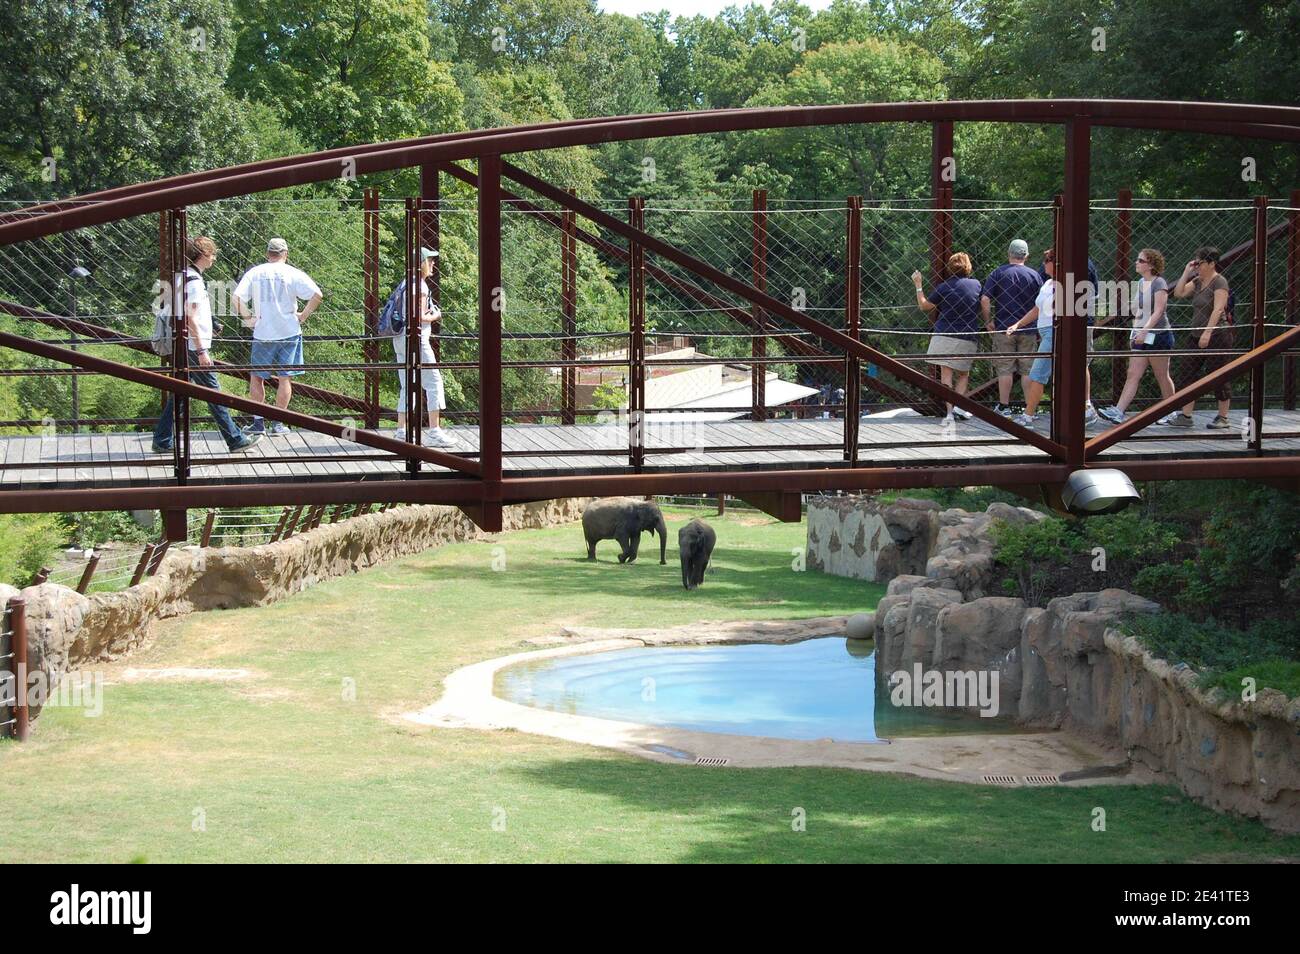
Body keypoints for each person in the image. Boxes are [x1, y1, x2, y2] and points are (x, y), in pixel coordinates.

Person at [151, 237, 262, 454]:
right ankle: (235, 439)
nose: (214, 258)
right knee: (213, 393)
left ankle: (162, 439)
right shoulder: (193, 281)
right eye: (212, 254)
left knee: (180, 393)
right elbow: (190, 317)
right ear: (202, 255)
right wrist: (202, 350)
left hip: (185, 343)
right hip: (193, 347)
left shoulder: (184, 276)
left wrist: (209, 324)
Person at [232, 237, 323, 435]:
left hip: (263, 332)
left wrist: (248, 318)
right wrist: (303, 316)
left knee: (257, 377)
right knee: (285, 379)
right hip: (289, 331)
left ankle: (258, 423)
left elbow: (236, 298)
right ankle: (279, 423)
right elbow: (317, 295)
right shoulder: (292, 273)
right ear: (285, 254)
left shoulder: (256, 272)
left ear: (268, 254)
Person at [1097, 248, 1175, 424]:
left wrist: (1145, 330)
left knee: (1162, 375)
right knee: (1133, 373)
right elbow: (1135, 307)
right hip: (1140, 335)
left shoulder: (1159, 283)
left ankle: (1171, 410)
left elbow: (1159, 310)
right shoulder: (1141, 282)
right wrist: (1109, 316)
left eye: (1140, 260)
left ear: (1151, 265)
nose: (1136, 263)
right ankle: (1119, 411)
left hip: (1158, 335)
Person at [390, 247, 456, 447]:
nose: (433, 264)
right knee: (434, 381)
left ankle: (402, 430)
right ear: (421, 264)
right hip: (417, 340)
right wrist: (436, 315)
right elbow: (418, 317)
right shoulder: (420, 286)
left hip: (400, 338)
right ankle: (434, 431)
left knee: (407, 383)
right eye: (429, 261)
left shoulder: (405, 283)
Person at [1165, 245, 1233, 429]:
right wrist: (1187, 271)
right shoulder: (1197, 281)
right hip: (1195, 335)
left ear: (1211, 263)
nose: (1198, 266)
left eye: (1200, 263)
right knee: (1187, 371)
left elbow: (1219, 309)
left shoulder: (1220, 282)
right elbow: (1178, 293)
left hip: (1217, 334)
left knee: (1218, 374)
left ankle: (1223, 417)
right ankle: (1186, 416)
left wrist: (1208, 332)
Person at [912, 252, 982, 423]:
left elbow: (924, 306)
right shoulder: (976, 285)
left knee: (946, 375)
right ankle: (959, 406)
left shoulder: (944, 287)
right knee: (964, 374)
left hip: (944, 334)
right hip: (967, 334)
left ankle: (949, 412)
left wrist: (918, 284)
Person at [981, 239, 1041, 415]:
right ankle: (1030, 409)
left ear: (1009, 254)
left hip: (1003, 326)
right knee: (1027, 369)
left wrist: (988, 320)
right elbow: (1041, 303)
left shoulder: (998, 273)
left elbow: (985, 299)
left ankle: (1004, 406)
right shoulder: (1034, 276)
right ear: (1026, 256)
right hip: (1028, 327)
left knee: (1005, 368)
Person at [1039, 253, 1100, 424]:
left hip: (1077, 320)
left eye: (1046, 261)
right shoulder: (1072, 264)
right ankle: (1074, 406)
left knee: (1079, 363)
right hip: (1070, 319)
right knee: (1071, 363)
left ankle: (1085, 407)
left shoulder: (1079, 264)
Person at [1004, 248, 1061, 427]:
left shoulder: (1065, 285)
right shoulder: (1047, 283)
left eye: (1047, 260)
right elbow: (1036, 309)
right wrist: (1018, 324)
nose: (1044, 264)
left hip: (1054, 332)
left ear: (1056, 263)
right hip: (1044, 331)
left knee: (1037, 374)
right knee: (1041, 374)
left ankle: (1028, 416)